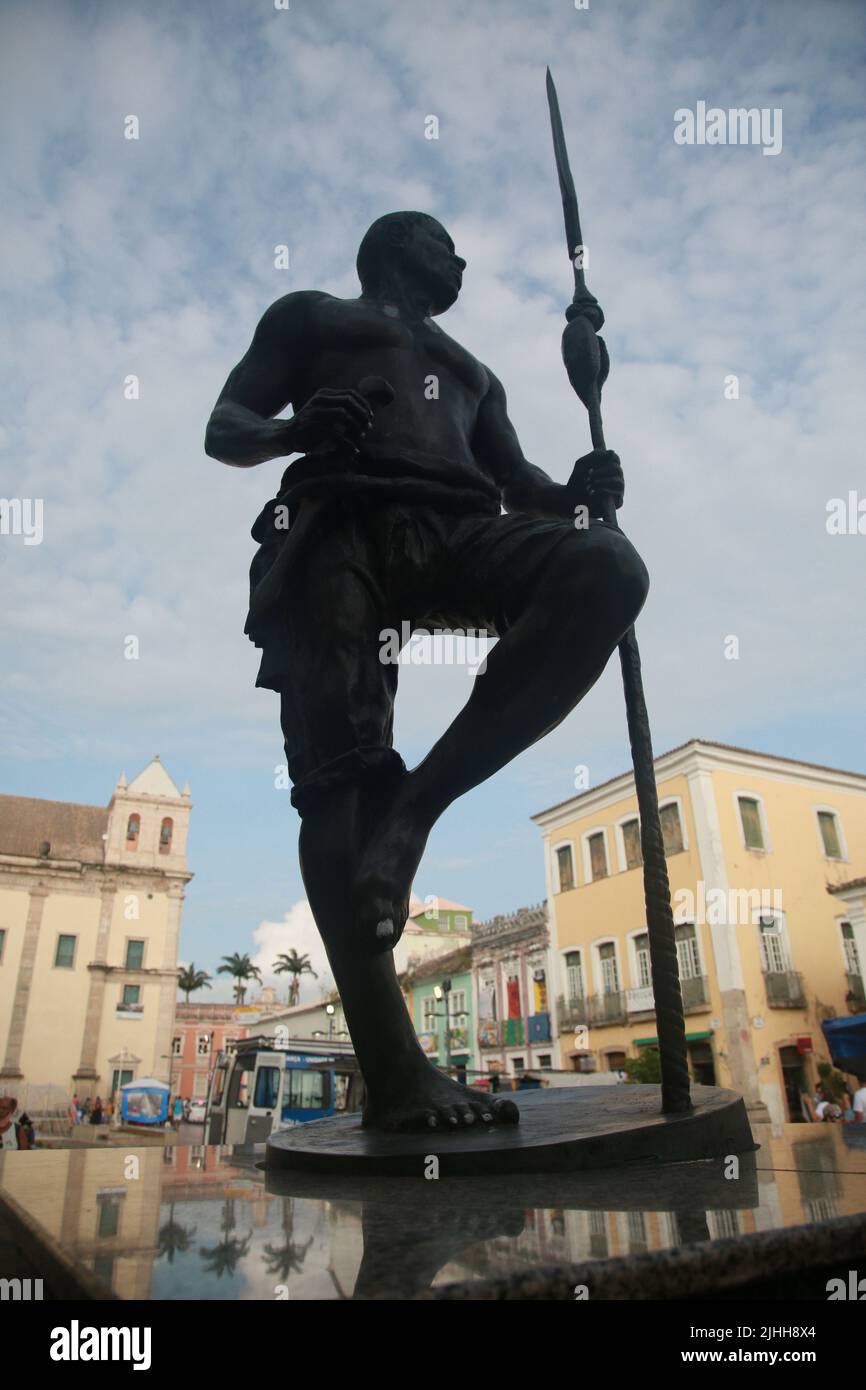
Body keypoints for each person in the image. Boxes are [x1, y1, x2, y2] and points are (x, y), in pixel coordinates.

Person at [206, 211, 646, 1132]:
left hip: (456, 531)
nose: (463, 259)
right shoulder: (313, 316)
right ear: (394, 246)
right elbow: (225, 426)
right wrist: (295, 431)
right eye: (445, 243)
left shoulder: (475, 374)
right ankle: (398, 1077)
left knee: (605, 569)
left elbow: (526, 490)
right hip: (339, 527)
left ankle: (417, 812)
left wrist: (582, 497)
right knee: (341, 781)